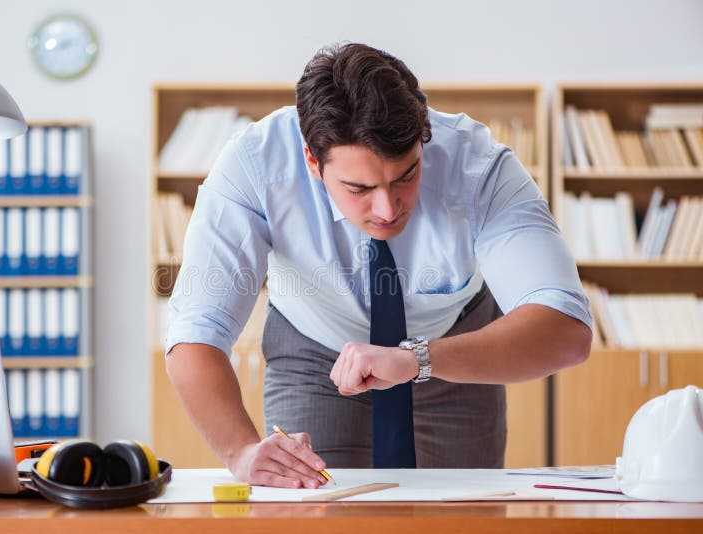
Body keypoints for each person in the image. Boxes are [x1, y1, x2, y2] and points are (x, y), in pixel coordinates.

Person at [164, 42, 592, 489]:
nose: (387, 209)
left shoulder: (480, 168)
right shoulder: (254, 166)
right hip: (313, 351)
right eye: (359, 187)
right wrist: (241, 452)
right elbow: (196, 330)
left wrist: (416, 358)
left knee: (463, 513)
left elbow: (566, 327)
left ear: (424, 136)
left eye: (406, 175)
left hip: (451, 348)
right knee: (314, 510)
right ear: (313, 160)